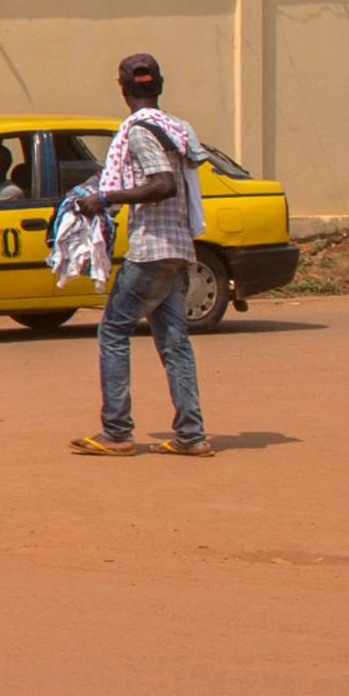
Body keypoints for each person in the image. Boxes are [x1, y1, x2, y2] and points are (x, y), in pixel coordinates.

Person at [72, 53, 211, 457]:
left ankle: (117, 431)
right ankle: (191, 436)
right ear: (160, 85)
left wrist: (105, 199)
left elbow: (163, 184)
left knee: (113, 331)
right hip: (179, 247)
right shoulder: (176, 127)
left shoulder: (139, 131)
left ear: (123, 89)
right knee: (174, 342)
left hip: (151, 250)